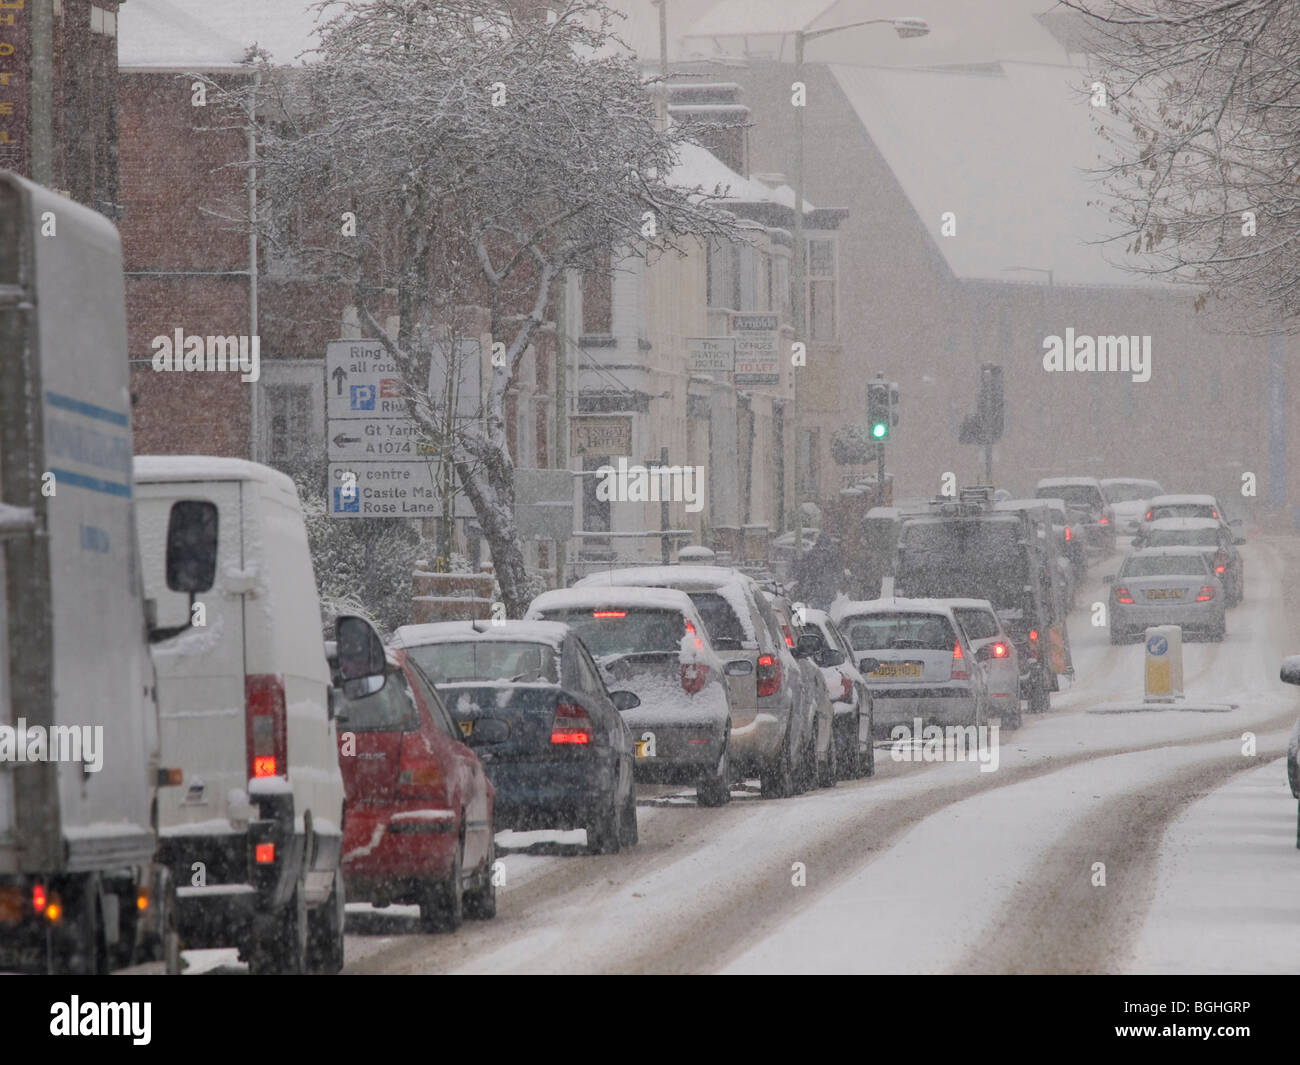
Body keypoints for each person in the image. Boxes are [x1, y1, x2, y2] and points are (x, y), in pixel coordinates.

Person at [792, 533, 843, 611]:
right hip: (826, 591)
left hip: (814, 591)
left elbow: (804, 571)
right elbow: (837, 572)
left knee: (816, 610)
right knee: (824, 611)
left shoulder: (811, 554)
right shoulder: (832, 555)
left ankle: (817, 620)